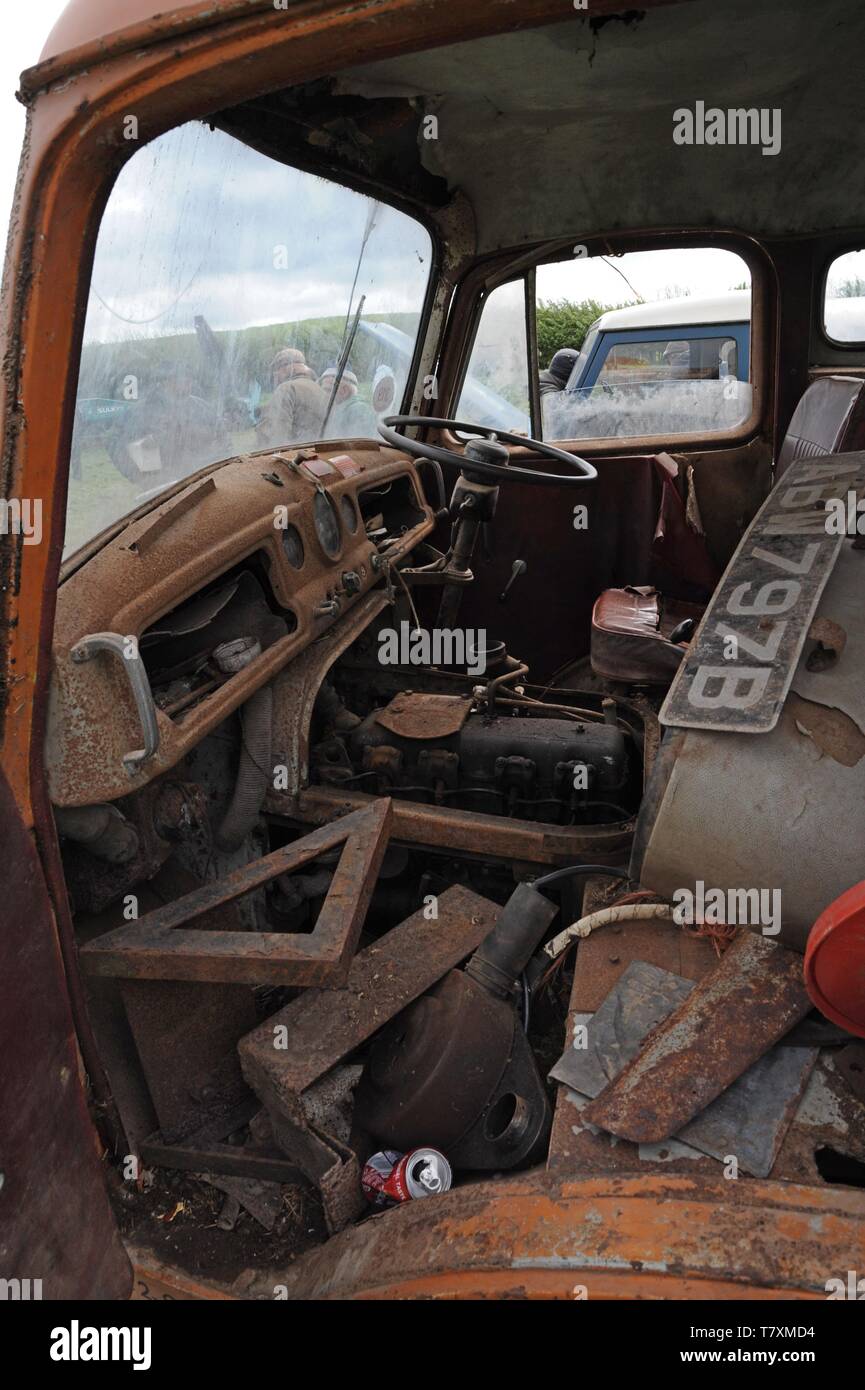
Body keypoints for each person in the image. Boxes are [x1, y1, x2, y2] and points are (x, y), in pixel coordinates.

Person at [256, 347, 327, 447]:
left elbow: (276, 435)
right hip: (314, 454)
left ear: (285, 367)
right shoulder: (320, 390)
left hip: (295, 456)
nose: (276, 375)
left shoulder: (286, 388)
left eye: (276, 370)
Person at [319, 366, 378, 438]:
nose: (323, 395)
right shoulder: (343, 408)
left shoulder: (359, 410)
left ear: (344, 391)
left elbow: (357, 443)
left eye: (327, 390)